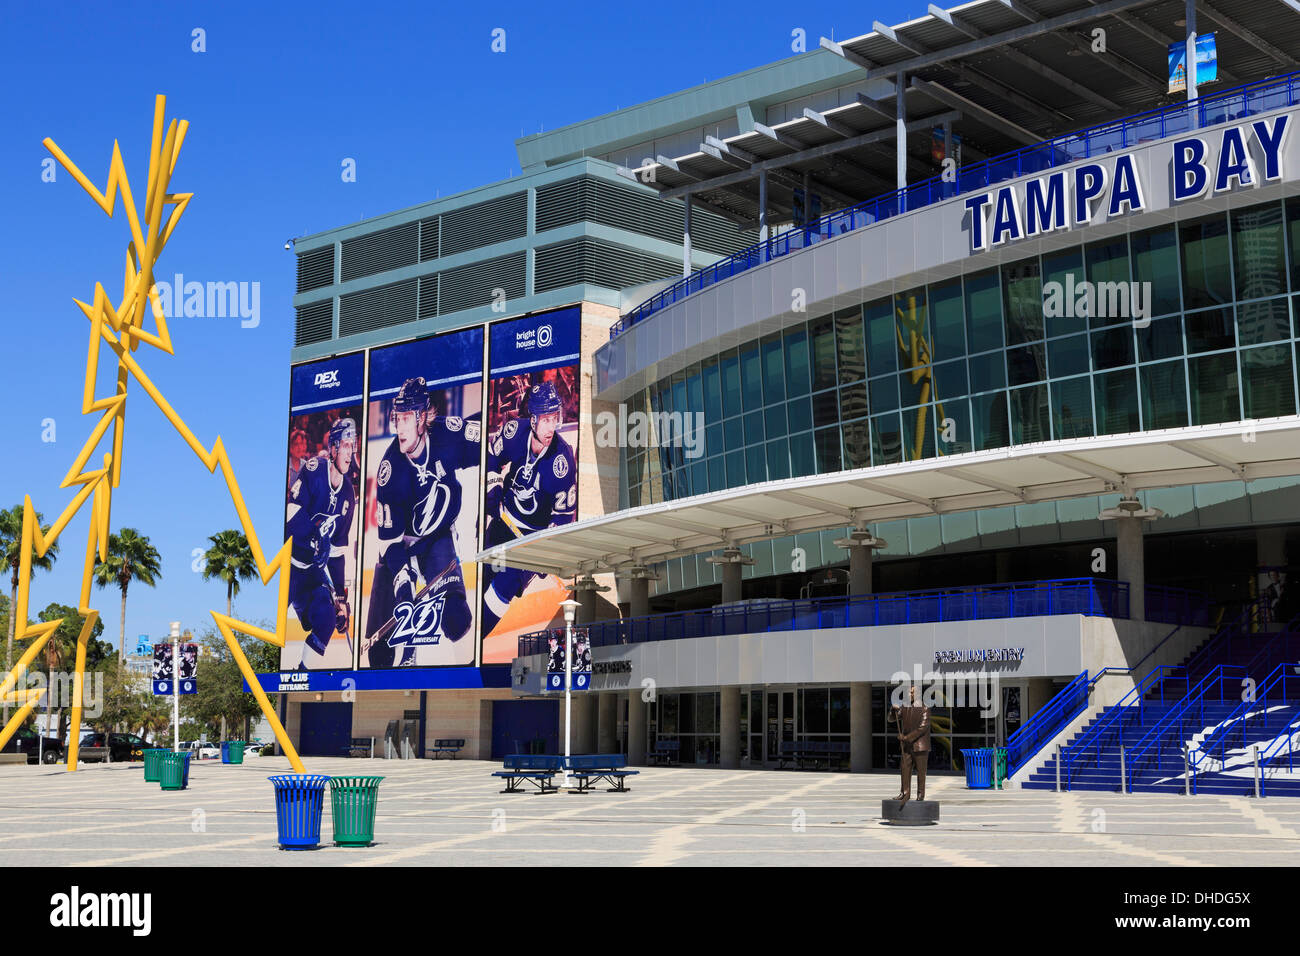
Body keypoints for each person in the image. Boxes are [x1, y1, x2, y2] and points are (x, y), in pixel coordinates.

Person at [362, 377, 481, 667]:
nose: (400, 427)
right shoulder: (391, 470)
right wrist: (403, 583)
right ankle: (403, 656)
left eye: (406, 418)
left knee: (456, 617)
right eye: (397, 418)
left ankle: (464, 677)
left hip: (437, 538)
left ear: (423, 417)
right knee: (378, 656)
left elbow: (489, 441)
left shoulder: (447, 435)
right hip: (399, 550)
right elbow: (391, 543)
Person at [480, 380, 577, 634]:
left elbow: (565, 517)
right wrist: (493, 487)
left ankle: (479, 637)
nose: (551, 426)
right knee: (483, 582)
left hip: (529, 542)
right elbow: (491, 457)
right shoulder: (513, 432)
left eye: (554, 417)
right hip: (503, 524)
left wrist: (545, 553)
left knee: (506, 583)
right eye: (545, 419)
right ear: (532, 420)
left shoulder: (562, 461)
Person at [285, 416, 358, 670]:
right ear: (335, 447)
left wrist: (341, 597)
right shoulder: (315, 470)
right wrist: (316, 537)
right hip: (288, 566)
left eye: (353, 446)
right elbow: (291, 513)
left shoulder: (348, 494)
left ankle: (301, 677)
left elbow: (337, 552)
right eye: (346, 446)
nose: (350, 452)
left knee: (326, 618)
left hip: (312, 573)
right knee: (267, 622)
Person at [892, 685, 931, 806]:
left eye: (911, 692)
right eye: (909, 692)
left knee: (920, 771)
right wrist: (892, 710)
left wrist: (907, 738)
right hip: (907, 747)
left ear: (918, 694)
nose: (909, 694)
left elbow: (922, 728)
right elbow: (891, 719)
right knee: (904, 768)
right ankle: (905, 792)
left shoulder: (925, 708)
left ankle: (920, 794)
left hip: (920, 746)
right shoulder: (905, 707)